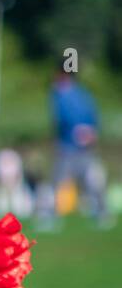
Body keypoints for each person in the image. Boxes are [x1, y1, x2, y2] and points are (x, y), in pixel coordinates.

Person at [43, 69, 109, 229]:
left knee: (88, 180)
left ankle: (101, 213)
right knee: (62, 181)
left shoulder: (69, 95)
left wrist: (90, 131)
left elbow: (67, 118)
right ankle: (52, 215)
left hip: (73, 146)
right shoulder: (69, 94)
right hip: (69, 145)